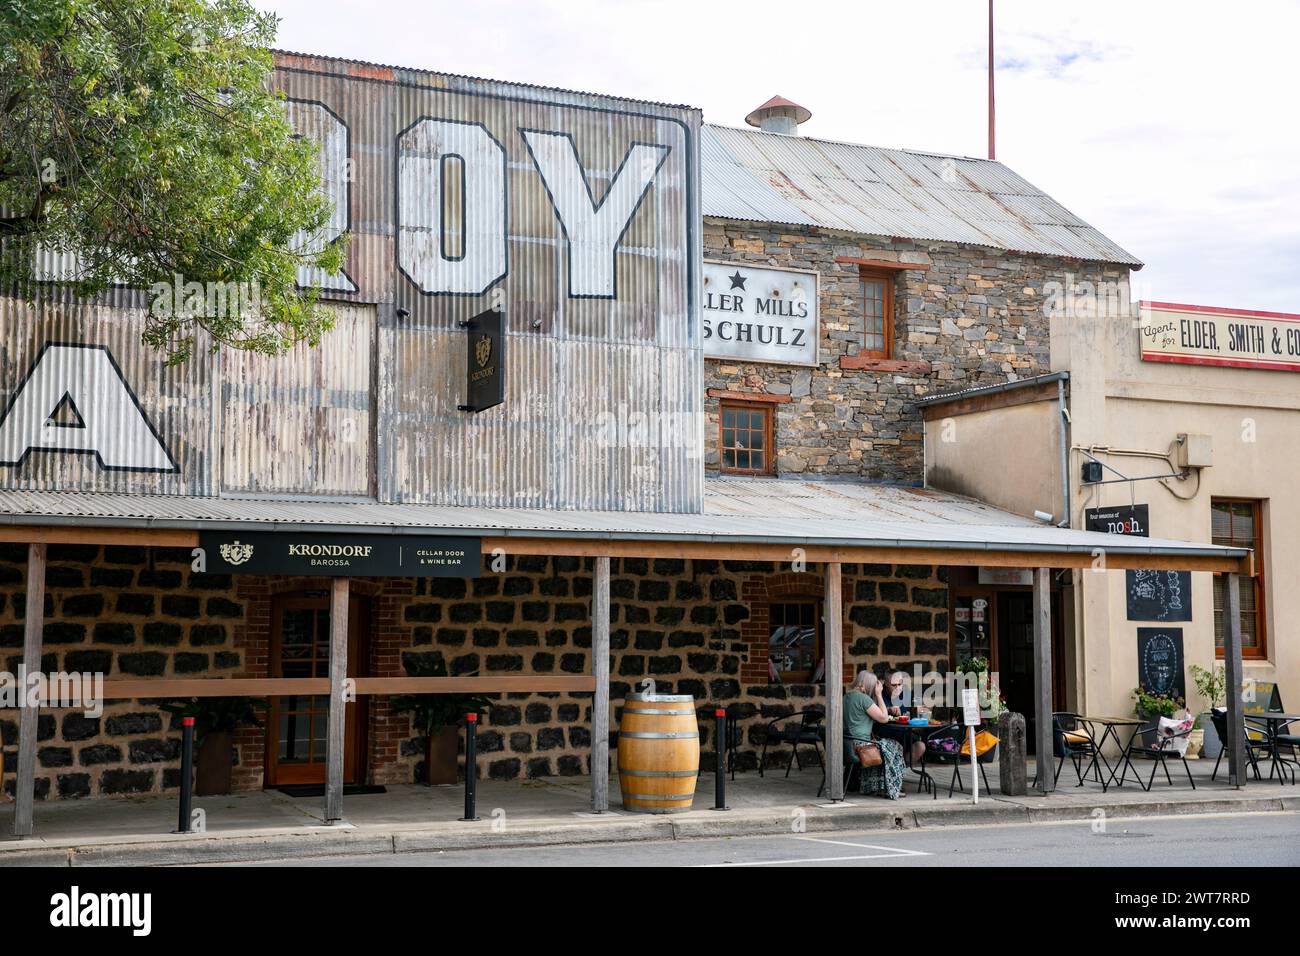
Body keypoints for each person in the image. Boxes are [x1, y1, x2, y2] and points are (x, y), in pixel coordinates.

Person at [843, 670, 906, 799]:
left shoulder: (847, 697)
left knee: (884, 744)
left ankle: (874, 785)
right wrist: (879, 695)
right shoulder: (864, 698)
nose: (873, 689)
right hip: (861, 744)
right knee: (894, 746)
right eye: (873, 686)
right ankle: (891, 787)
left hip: (848, 742)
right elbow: (883, 718)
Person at [877, 670, 926, 763]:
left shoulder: (906, 693)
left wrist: (921, 707)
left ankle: (900, 768)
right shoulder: (879, 693)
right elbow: (875, 711)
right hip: (885, 734)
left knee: (920, 746)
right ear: (886, 683)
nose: (898, 688)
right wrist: (888, 709)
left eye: (900, 684)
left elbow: (918, 704)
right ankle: (895, 768)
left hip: (904, 733)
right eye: (894, 685)